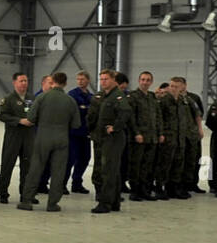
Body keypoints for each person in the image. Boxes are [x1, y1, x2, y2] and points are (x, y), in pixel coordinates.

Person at [17, 72, 80, 213]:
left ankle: (27, 201)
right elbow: (76, 124)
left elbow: (31, 118)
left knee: (35, 169)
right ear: (65, 83)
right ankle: (52, 204)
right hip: (62, 139)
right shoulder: (70, 100)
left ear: (53, 82)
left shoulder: (42, 97)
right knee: (58, 172)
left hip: (43, 138)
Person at [90, 69, 132, 214]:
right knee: (112, 171)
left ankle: (105, 203)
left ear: (114, 80)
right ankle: (114, 202)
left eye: (106, 79)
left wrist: (115, 127)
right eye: (101, 79)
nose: (103, 82)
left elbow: (126, 112)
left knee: (108, 171)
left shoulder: (117, 96)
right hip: (102, 138)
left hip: (113, 138)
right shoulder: (103, 95)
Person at [0, 72, 34, 204]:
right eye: (21, 81)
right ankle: (3, 193)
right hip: (13, 136)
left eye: (25, 81)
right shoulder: (8, 99)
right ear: (14, 83)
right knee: (7, 165)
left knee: (27, 167)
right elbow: (2, 115)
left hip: (28, 137)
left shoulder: (32, 98)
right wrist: (19, 121)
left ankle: (25, 194)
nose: (24, 83)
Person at [128, 71, 161, 201]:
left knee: (147, 165)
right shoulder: (133, 97)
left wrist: (160, 133)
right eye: (143, 79)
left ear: (151, 82)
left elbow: (158, 116)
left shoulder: (152, 97)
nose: (145, 82)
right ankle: (134, 191)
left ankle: (144, 190)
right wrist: (136, 133)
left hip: (151, 137)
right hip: (139, 137)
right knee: (136, 165)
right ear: (139, 81)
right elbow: (131, 117)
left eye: (148, 80)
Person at [156, 80, 185, 199]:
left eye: (176, 86)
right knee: (165, 164)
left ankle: (173, 188)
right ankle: (160, 188)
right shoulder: (164, 101)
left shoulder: (182, 101)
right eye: (171, 86)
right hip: (168, 137)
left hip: (179, 137)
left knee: (177, 163)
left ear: (181, 88)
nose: (173, 88)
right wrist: (161, 134)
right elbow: (159, 119)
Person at [66, 72, 93, 194]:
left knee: (85, 158)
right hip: (74, 133)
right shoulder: (72, 95)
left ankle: (77, 183)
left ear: (88, 80)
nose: (80, 81)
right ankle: (62, 184)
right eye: (78, 79)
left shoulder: (91, 96)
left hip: (86, 133)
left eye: (82, 79)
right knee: (70, 159)